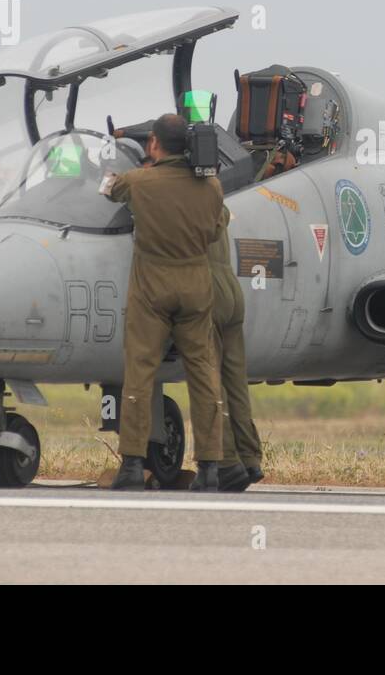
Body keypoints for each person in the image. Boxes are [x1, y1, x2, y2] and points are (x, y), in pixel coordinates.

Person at [102, 113, 225, 491]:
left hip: (152, 286)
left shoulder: (140, 182)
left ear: (154, 144)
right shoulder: (212, 187)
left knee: (140, 371)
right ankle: (209, 469)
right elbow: (218, 226)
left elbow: (109, 188)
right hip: (195, 285)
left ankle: (133, 466)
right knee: (203, 375)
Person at [208, 205, 265, 492]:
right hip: (230, 287)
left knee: (210, 379)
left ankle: (226, 462)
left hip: (207, 290)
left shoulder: (181, 196)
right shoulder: (217, 202)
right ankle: (250, 457)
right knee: (235, 381)